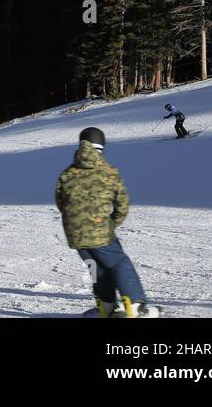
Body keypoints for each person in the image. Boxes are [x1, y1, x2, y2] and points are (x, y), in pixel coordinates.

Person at [55, 127, 159, 318]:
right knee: (119, 263)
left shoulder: (67, 173)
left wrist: (76, 222)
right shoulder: (108, 172)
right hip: (101, 231)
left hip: (76, 235)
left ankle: (106, 307)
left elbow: (61, 202)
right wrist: (112, 223)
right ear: (101, 146)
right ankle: (136, 306)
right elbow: (122, 203)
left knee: (96, 269)